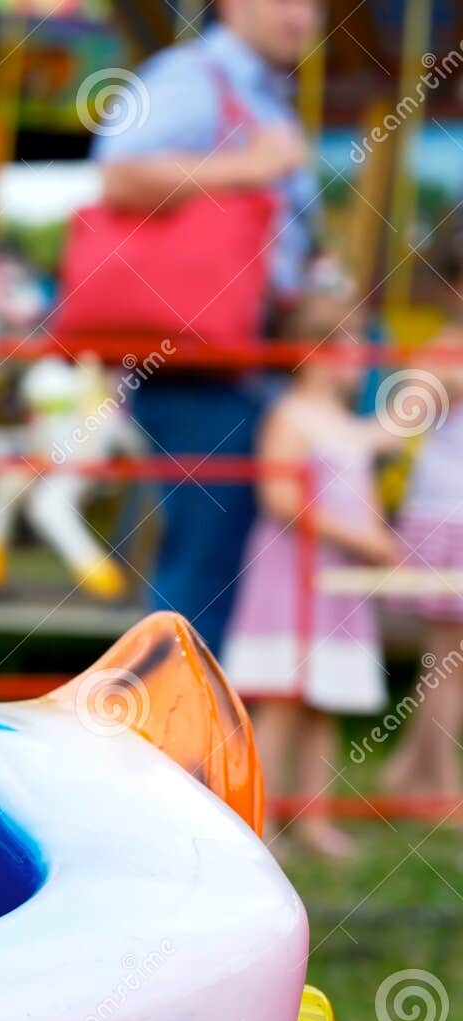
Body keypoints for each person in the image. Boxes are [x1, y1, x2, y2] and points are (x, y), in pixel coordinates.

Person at [92, 0, 321, 648]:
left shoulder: (263, 94)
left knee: (219, 565)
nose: (303, 18)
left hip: (244, 360)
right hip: (198, 363)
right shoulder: (193, 77)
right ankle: (166, 711)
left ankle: (184, 705)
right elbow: (120, 171)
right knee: (201, 571)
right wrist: (251, 169)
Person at [221, 292, 402, 859]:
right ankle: (259, 820)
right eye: (353, 347)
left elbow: (366, 484)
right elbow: (279, 499)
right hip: (291, 579)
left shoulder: (346, 424)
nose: (362, 360)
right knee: (282, 700)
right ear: (318, 352)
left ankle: (314, 818)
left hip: (335, 584)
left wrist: (378, 539)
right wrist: (357, 537)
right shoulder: (291, 417)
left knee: (324, 701)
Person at [380, 227, 463, 800]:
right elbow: (401, 419)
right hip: (448, 514)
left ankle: (409, 773)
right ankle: (439, 787)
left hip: (445, 511)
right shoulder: (444, 352)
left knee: (447, 659)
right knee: (447, 660)